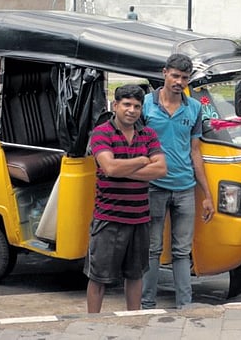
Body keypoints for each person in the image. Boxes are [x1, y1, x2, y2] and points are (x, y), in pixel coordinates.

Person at [141, 54, 215, 309]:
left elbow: (196, 151)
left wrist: (207, 194)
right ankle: (146, 305)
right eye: (175, 76)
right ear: (164, 73)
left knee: (182, 251)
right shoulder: (146, 105)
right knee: (152, 248)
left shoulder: (194, 107)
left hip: (184, 187)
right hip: (154, 187)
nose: (179, 82)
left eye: (184, 78)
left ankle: (185, 305)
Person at [86, 84, 167, 313]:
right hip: (108, 219)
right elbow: (109, 167)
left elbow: (161, 169)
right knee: (99, 278)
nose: (131, 110)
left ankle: (134, 324)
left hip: (140, 219)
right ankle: (91, 326)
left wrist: (123, 169)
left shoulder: (148, 134)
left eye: (137, 106)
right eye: (127, 104)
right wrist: (142, 161)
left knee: (135, 275)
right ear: (115, 105)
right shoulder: (102, 132)